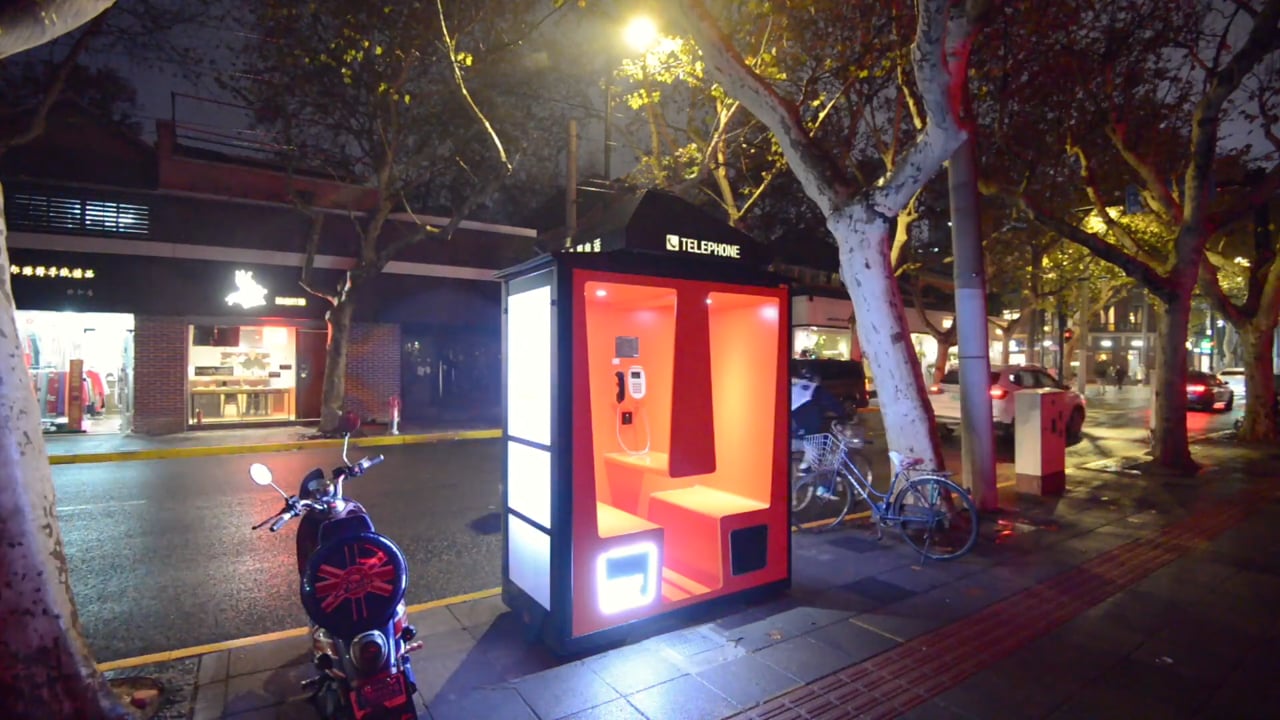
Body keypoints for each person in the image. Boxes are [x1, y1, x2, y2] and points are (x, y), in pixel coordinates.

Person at [791, 369, 847, 473]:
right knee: (820, 446)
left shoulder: (795, 387)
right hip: (805, 428)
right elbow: (832, 403)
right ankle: (815, 478)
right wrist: (844, 414)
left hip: (790, 430)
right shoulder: (813, 389)